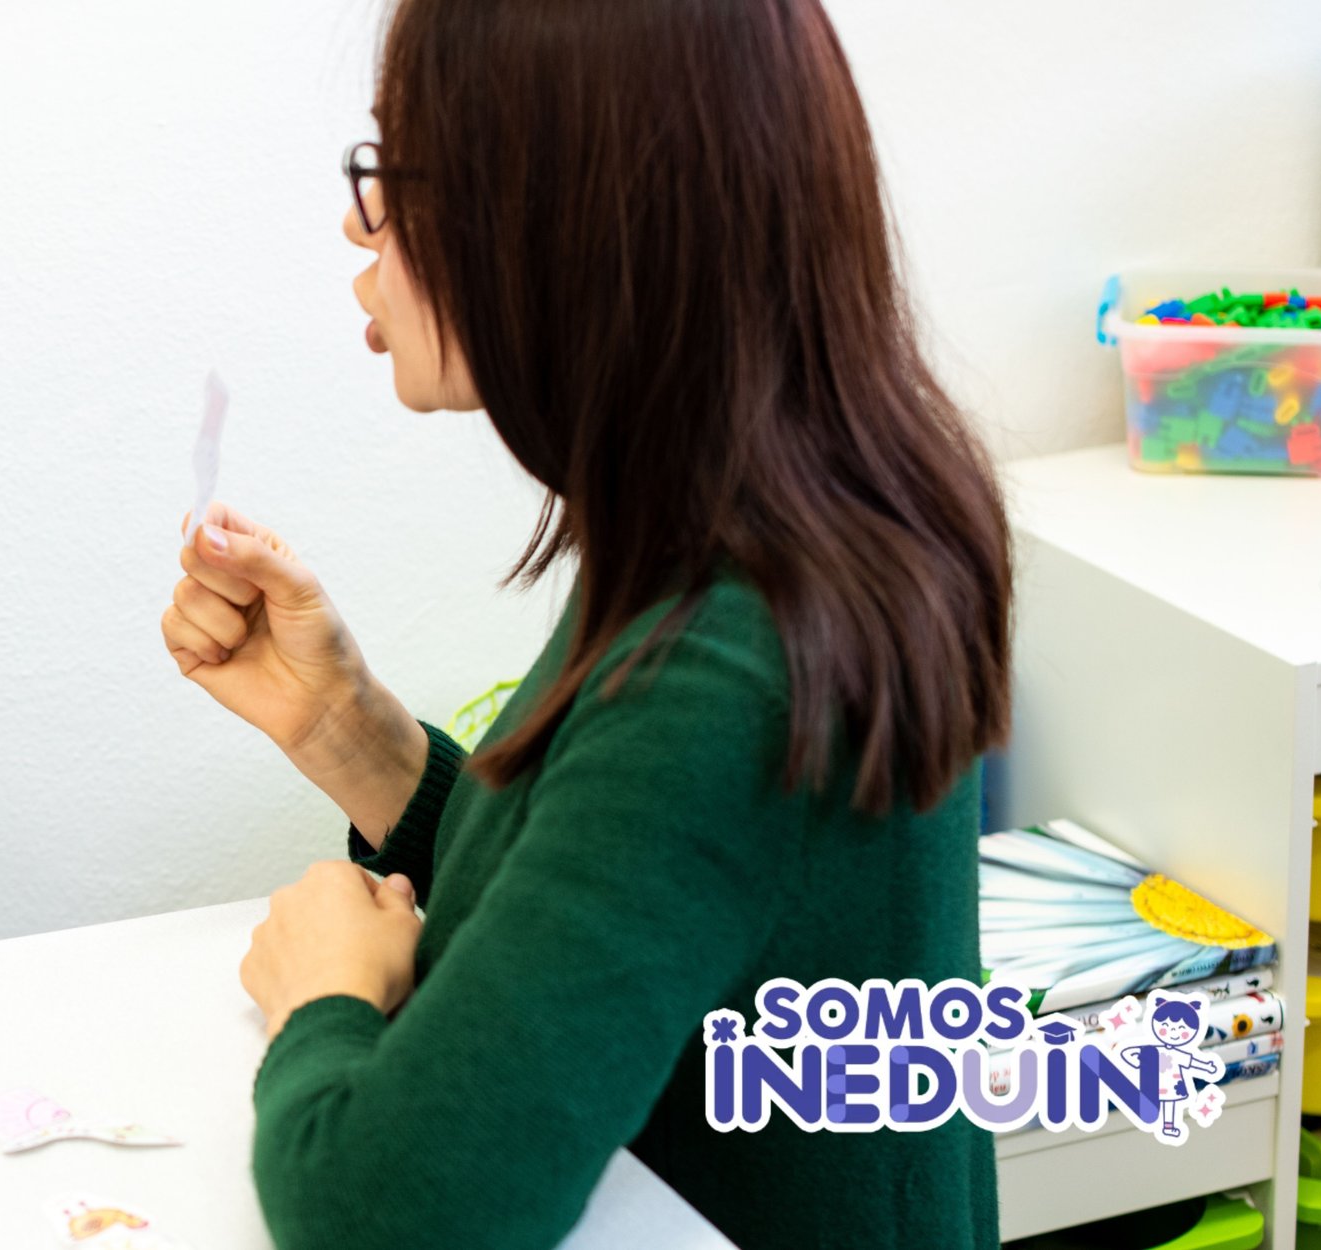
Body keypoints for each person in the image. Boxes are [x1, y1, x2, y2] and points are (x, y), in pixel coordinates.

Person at [160, 1, 1008, 1244]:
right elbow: (618, 912)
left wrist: (323, 996)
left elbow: (389, 1216)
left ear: (548, 211)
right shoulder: (762, 531)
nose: (361, 218)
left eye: (395, 169)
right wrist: (349, 727)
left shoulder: (728, 655)